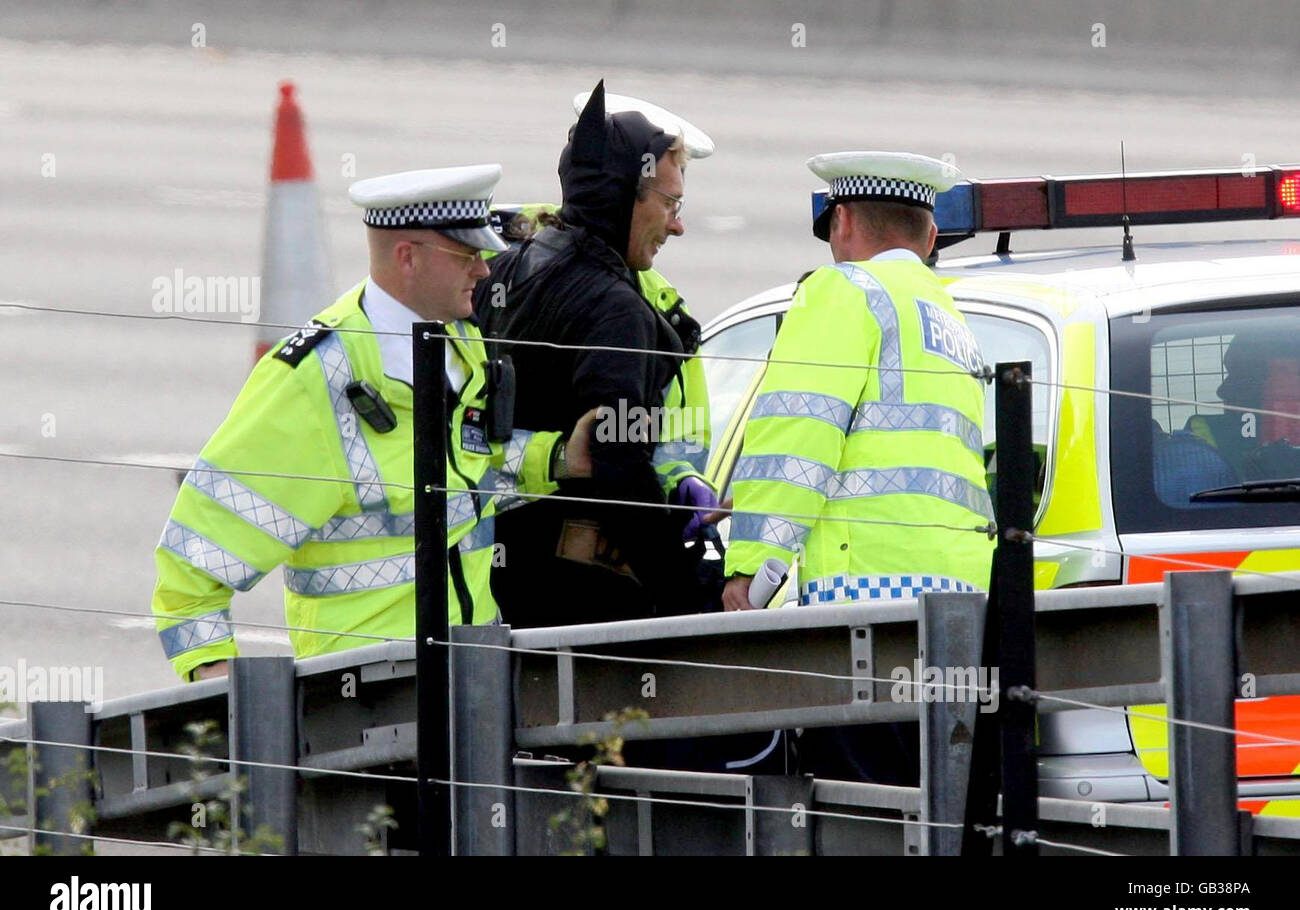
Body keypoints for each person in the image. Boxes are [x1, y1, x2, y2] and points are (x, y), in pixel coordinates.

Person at [152, 164, 592, 681]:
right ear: (408, 257)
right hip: (366, 702)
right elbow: (192, 568)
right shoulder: (313, 380)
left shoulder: (459, 343)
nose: (484, 271)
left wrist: (560, 458)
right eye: (468, 255)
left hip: (473, 677)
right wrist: (229, 700)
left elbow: (465, 474)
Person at [721, 151, 995, 782]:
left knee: (865, 816)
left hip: (866, 610)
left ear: (840, 221)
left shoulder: (845, 292)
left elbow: (796, 439)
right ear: (930, 237)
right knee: (935, 812)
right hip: (957, 613)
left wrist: (751, 572)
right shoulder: (953, 322)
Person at [475, 81, 718, 628]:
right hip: (584, 599)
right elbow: (619, 468)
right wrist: (682, 592)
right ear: (623, 194)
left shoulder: (511, 268)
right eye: (671, 203)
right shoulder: (616, 309)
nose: (677, 224)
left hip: (498, 582)